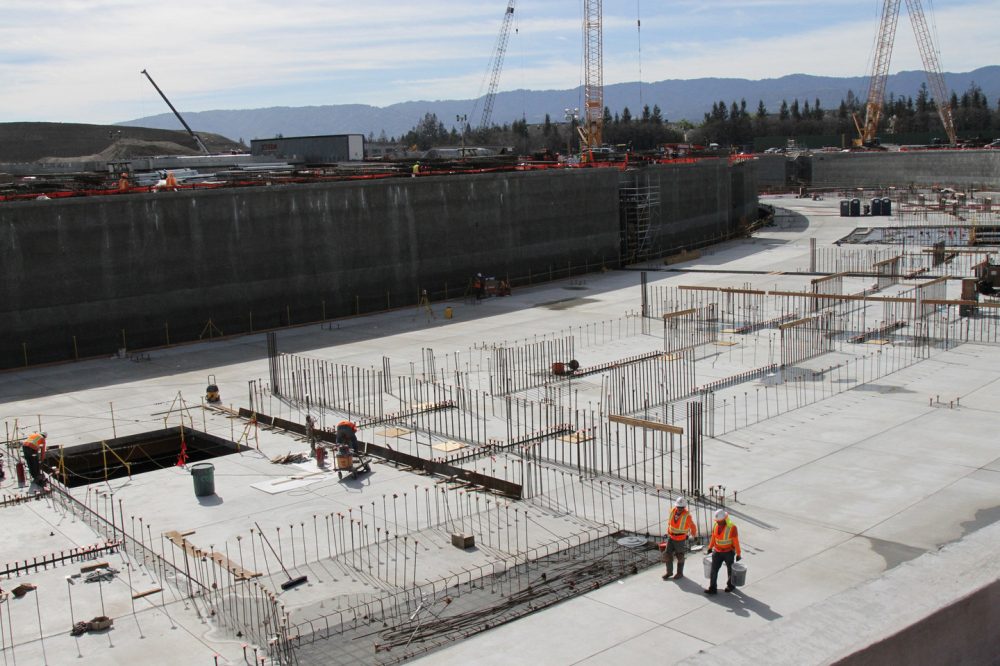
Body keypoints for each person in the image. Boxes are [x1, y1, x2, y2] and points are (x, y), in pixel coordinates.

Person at [705, 509, 742, 594]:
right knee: (714, 570)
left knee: (730, 570)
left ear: (725, 519)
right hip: (717, 551)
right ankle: (712, 588)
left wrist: (738, 553)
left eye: (719, 521)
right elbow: (714, 537)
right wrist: (710, 547)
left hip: (728, 552)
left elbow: (736, 541)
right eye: (717, 521)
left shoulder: (732, 528)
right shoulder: (715, 525)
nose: (718, 523)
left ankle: (731, 586)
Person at [662, 497, 697, 580]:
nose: (679, 509)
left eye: (681, 508)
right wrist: (668, 532)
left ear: (684, 507)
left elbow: (693, 526)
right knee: (667, 555)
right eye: (678, 507)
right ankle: (669, 572)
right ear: (676, 506)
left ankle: (679, 573)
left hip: (680, 539)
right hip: (671, 537)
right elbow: (669, 523)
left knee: (680, 556)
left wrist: (693, 535)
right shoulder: (672, 511)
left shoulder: (687, 516)